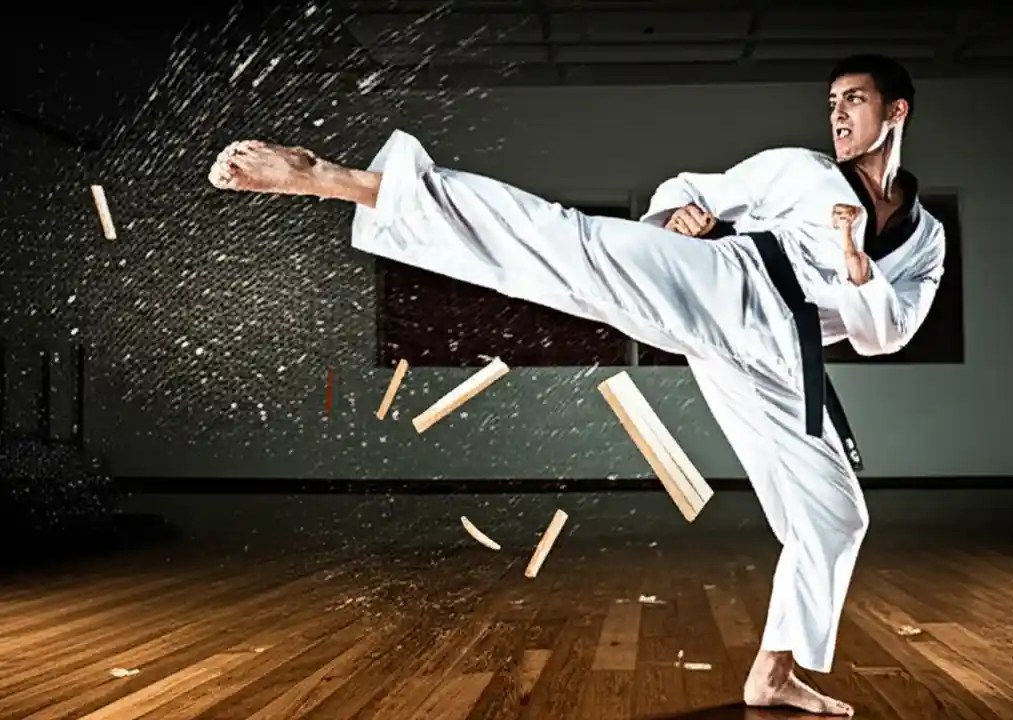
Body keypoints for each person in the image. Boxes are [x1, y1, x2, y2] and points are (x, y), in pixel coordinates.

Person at [208, 53, 944, 716]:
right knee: (574, 244)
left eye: (853, 100)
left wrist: (856, 265)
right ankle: (335, 179)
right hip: (727, 283)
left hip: (785, 358)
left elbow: (887, 335)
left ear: (896, 111)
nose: (838, 115)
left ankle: (773, 675)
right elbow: (692, 189)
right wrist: (679, 216)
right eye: (832, 102)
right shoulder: (801, 170)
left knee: (838, 518)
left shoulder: (925, 237)